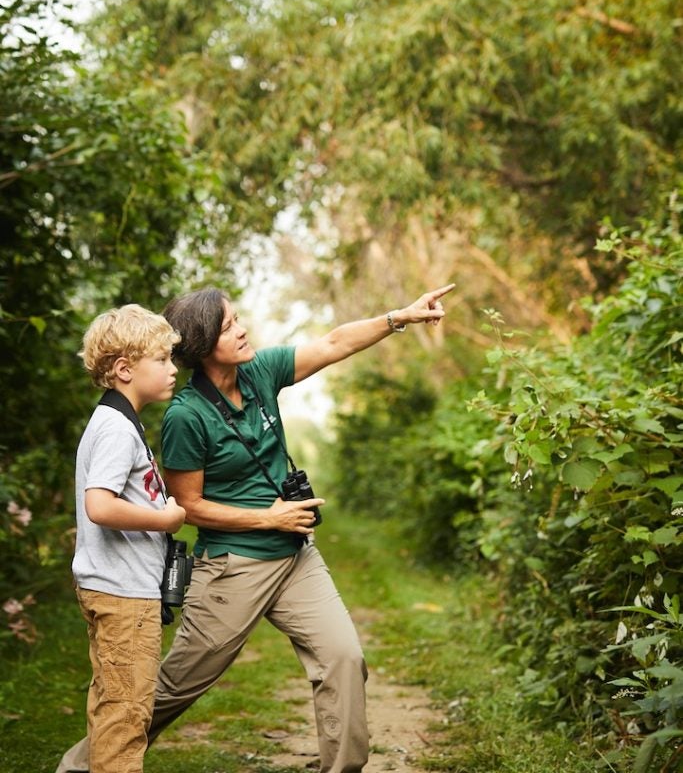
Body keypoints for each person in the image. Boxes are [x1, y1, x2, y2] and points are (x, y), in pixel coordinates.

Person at [56, 283, 454, 773]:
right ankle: (82, 765)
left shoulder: (260, 371)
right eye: (229, 327)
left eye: (238, 319)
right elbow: (188, 505)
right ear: (204, 344)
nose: (242, 330)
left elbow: (333, 343)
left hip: (295, 558)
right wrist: (268, 517)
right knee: (170, 688)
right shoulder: (185, 415)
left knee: (344, 658)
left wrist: (399, 317)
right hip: (233, 566)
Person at [58, 305, 186, 773]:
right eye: (162, 359)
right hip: (124, 593)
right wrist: (165, 520)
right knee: (126, 716)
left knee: (111, 704)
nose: (173, 369)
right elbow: (100, 506)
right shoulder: (116, 428)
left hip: (115, 587)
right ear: (124, 369)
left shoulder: (119, 421)